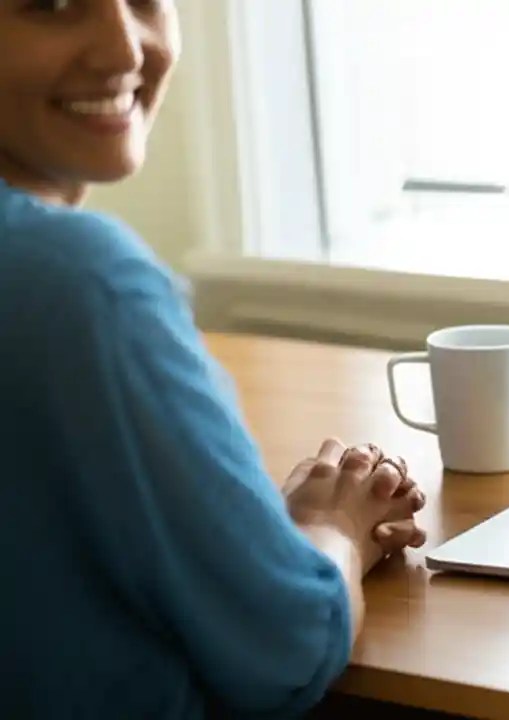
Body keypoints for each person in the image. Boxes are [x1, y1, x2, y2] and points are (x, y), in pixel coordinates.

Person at [0, 1, 428, 717]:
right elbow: (287, 645)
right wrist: (336, 527)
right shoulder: (84, 287)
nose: (123, 50)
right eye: (53, 4)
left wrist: (245, 533)